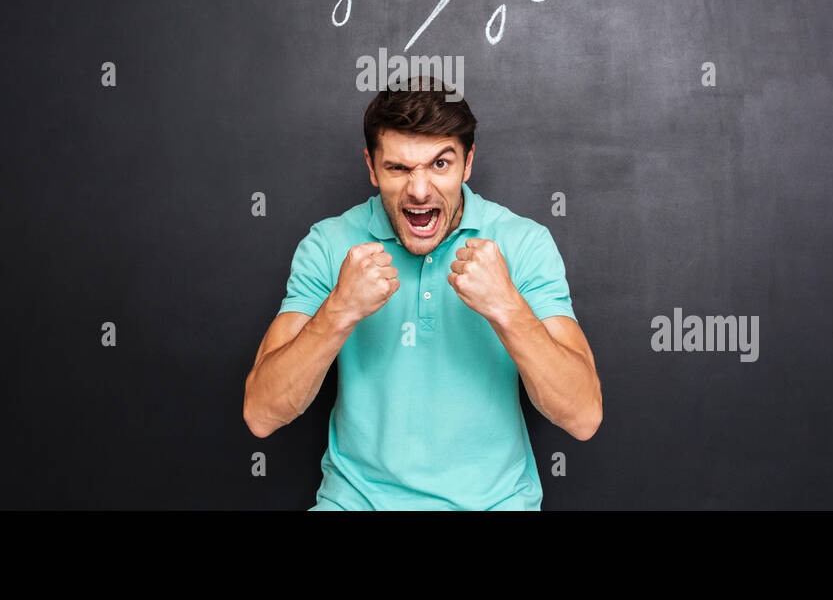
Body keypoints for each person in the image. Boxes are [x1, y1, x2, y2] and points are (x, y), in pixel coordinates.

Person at [242, 76, 601, 509]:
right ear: (371, 168)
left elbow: (583, 417)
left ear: (468, 164)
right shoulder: (327, 244)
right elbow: (261, 414)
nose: (419, 189)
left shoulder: (524, 243)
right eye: (398, 168)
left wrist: (507, 307)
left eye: (440, 164)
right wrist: (339, 311)